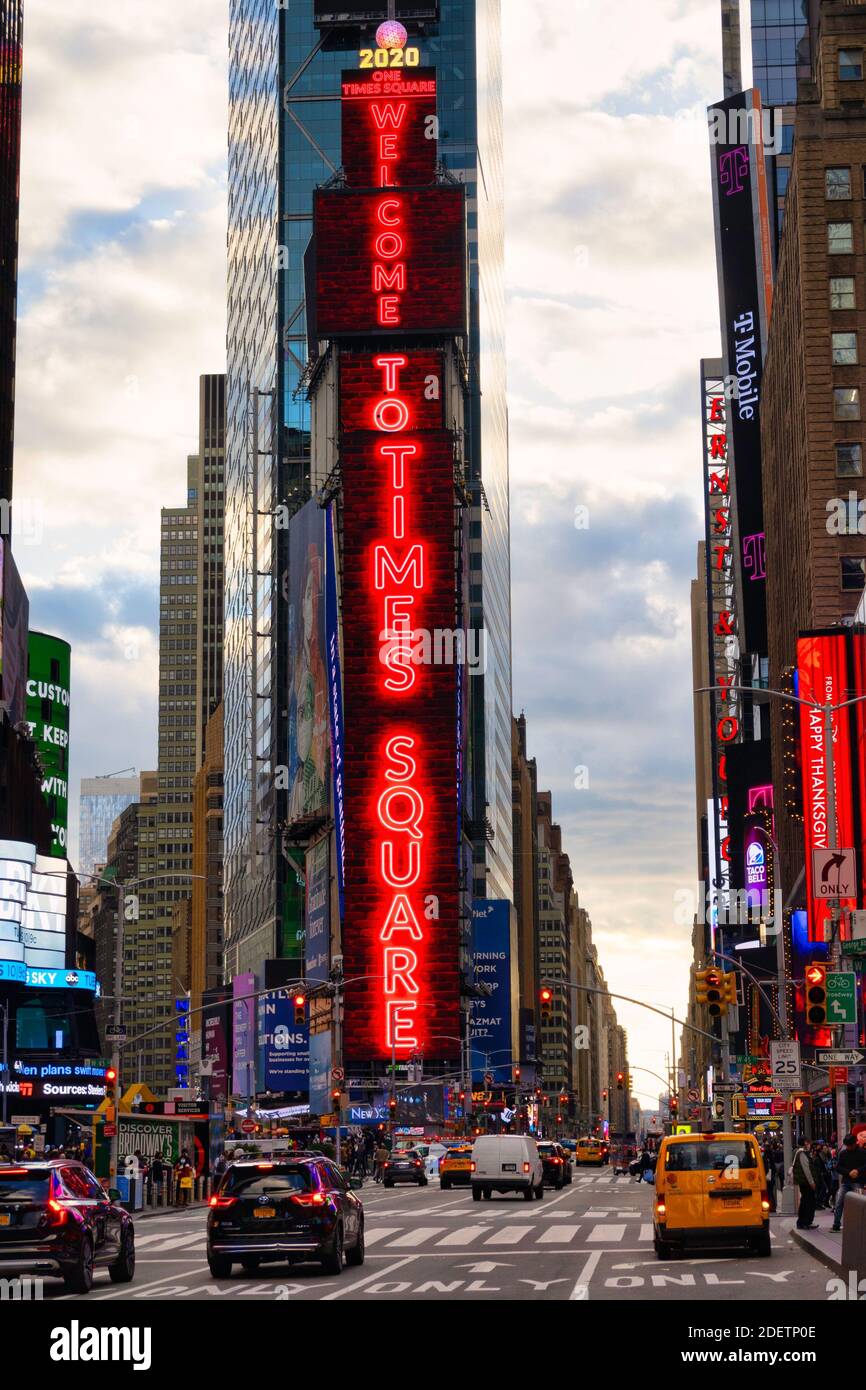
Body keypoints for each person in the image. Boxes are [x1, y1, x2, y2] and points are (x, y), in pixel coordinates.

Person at [831, 1134, 863, 1232]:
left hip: (858, 1181)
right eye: (847, 1145)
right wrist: (849, 1172)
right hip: (846, 1182)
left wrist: (857, 1170)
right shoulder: (843, 1153)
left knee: (858, 1204)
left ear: (855, 1143)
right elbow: (838, 1167)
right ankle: (836, 1224)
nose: (848, 1147)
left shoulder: (862, 1152)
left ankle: (858, 1225)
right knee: (839, 1202)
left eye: (850, 1145)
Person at [792, 1139, 818, 1230]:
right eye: (808, 1142)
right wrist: (812, 1182)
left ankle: (804, 1222)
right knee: (808, 1202)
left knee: (805, 1201)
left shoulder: (800, 1152)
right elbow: (806, 1169)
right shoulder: (802, 1153)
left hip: (804, 1182)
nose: (809, 1144)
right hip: (806, 1182)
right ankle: (805, 1222)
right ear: (804, 1143)